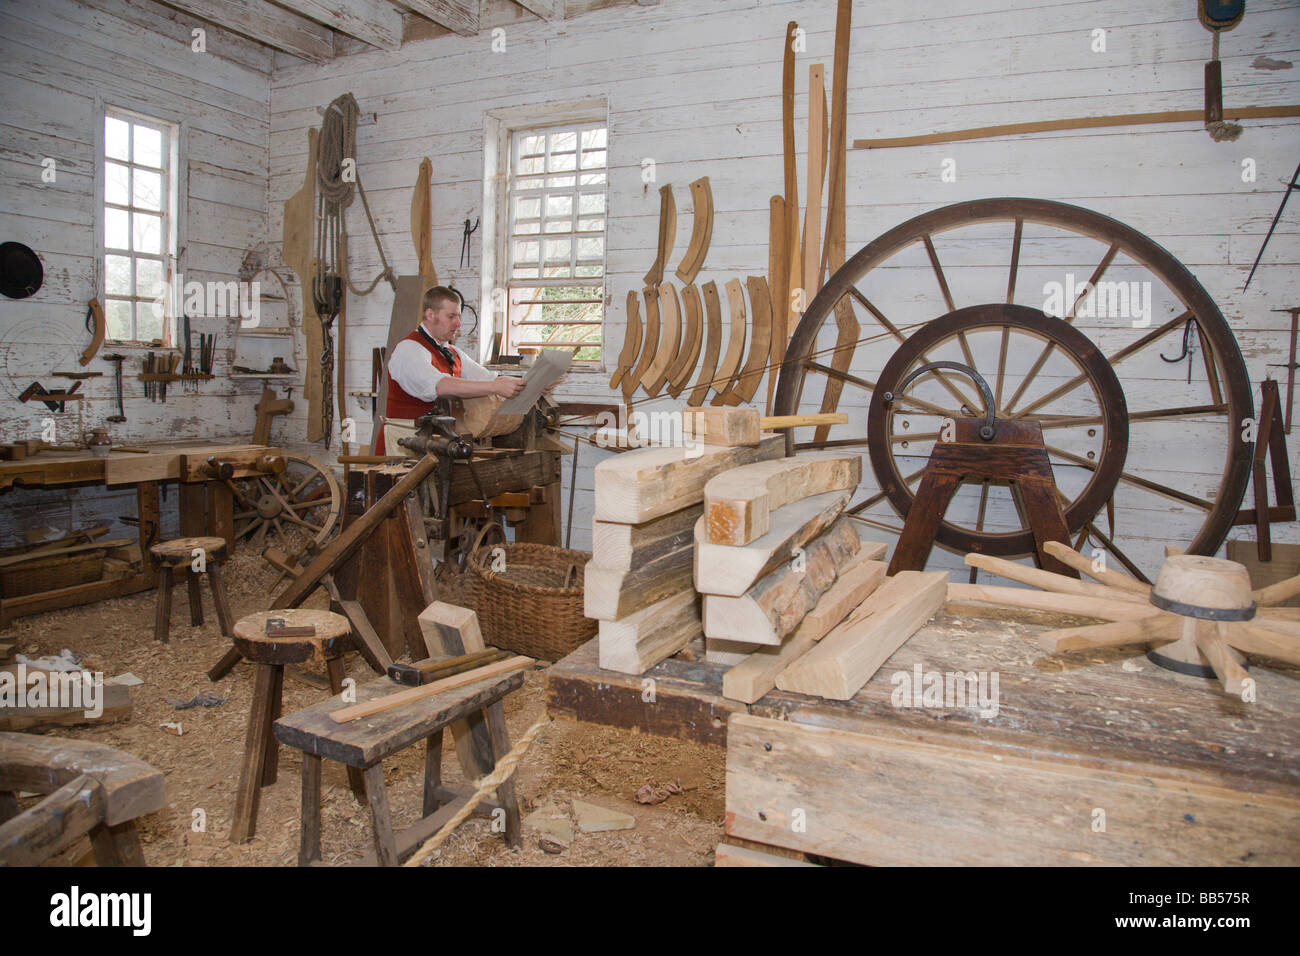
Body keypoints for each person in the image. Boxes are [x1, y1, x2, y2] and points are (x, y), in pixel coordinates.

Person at [377, 286, 524, 454]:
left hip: (438, 442)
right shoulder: (409, 349)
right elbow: (440, 386)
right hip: (404, 441)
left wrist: (528, 385)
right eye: (451, 316)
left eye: (458, 316)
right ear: (430, 315)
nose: (458, 323)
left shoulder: (452, 353)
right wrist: (496, 387)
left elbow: (491, 379)